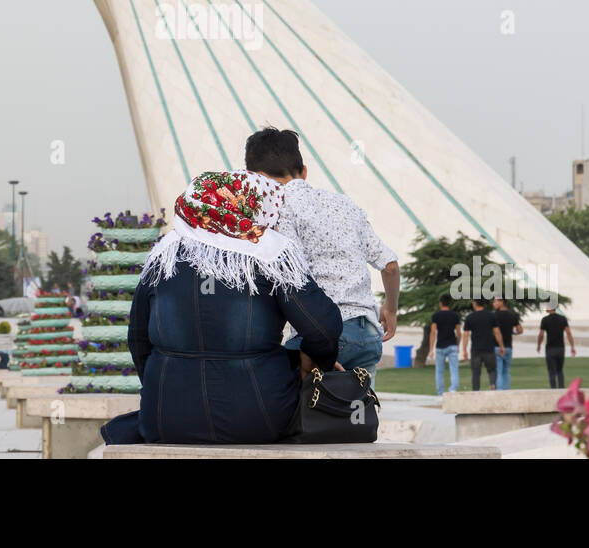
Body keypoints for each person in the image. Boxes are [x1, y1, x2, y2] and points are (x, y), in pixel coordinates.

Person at [100, 170, 344, 446]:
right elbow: (324, 329)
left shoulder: (162, 255)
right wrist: (311, 361)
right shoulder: (269, 254)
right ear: (248, 205)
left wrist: (169, 382)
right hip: (259, 418)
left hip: (165, 420)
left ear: (192, 204)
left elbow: (138, 340)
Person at [247, 128, 399, 384]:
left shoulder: (277, 210)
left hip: (324, 335)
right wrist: (391, 310)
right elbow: (390, 266)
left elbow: (290, 274)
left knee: (303, 418)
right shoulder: (345, 204)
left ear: (256, 178)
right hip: (368, 336)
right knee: (357, 417)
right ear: (304, 171)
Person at [462, 299, 504, 391]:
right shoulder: (491, 316)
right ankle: (492, 384)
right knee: (492, 370)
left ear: (475, 303)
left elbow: (465, 335)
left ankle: (476, 391)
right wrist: (501, 346)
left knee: (476, 373)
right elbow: (497, 332)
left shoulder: (470, 317)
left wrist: (464, 350)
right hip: (489, 348)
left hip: (476, 349)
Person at [425, 294, 462, 395]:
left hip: (440, 346)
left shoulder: (436, 316)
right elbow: (459, 333)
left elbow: (433, 333)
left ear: (440, 303)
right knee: (454, 369)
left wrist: (431, 349)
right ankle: (453, 390)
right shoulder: (455, 315)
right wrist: (457, 345)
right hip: (452, 344)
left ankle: (440, 393)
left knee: (439, 371)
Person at [537, 304, 576, 388]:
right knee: (560, 370)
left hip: (550, 348)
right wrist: (572, 346)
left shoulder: (545, 320)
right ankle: (561, 389)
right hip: (561, 348)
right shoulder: (563, 319)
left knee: (551, 371)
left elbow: (541, 335)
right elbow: (568, 333)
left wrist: (539, 345)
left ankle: (553, 389)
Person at [492, 296, 523, 391]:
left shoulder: (494, 315)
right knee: (506, 371)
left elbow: (493, 331)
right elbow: (520, 330)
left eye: (495, 301)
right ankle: (506, 391)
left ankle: (500, 392)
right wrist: (513, 332)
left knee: (498, 371)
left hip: (497, 346)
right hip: (509, 346)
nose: (493, 304)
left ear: (502, 302)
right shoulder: (513, 315)